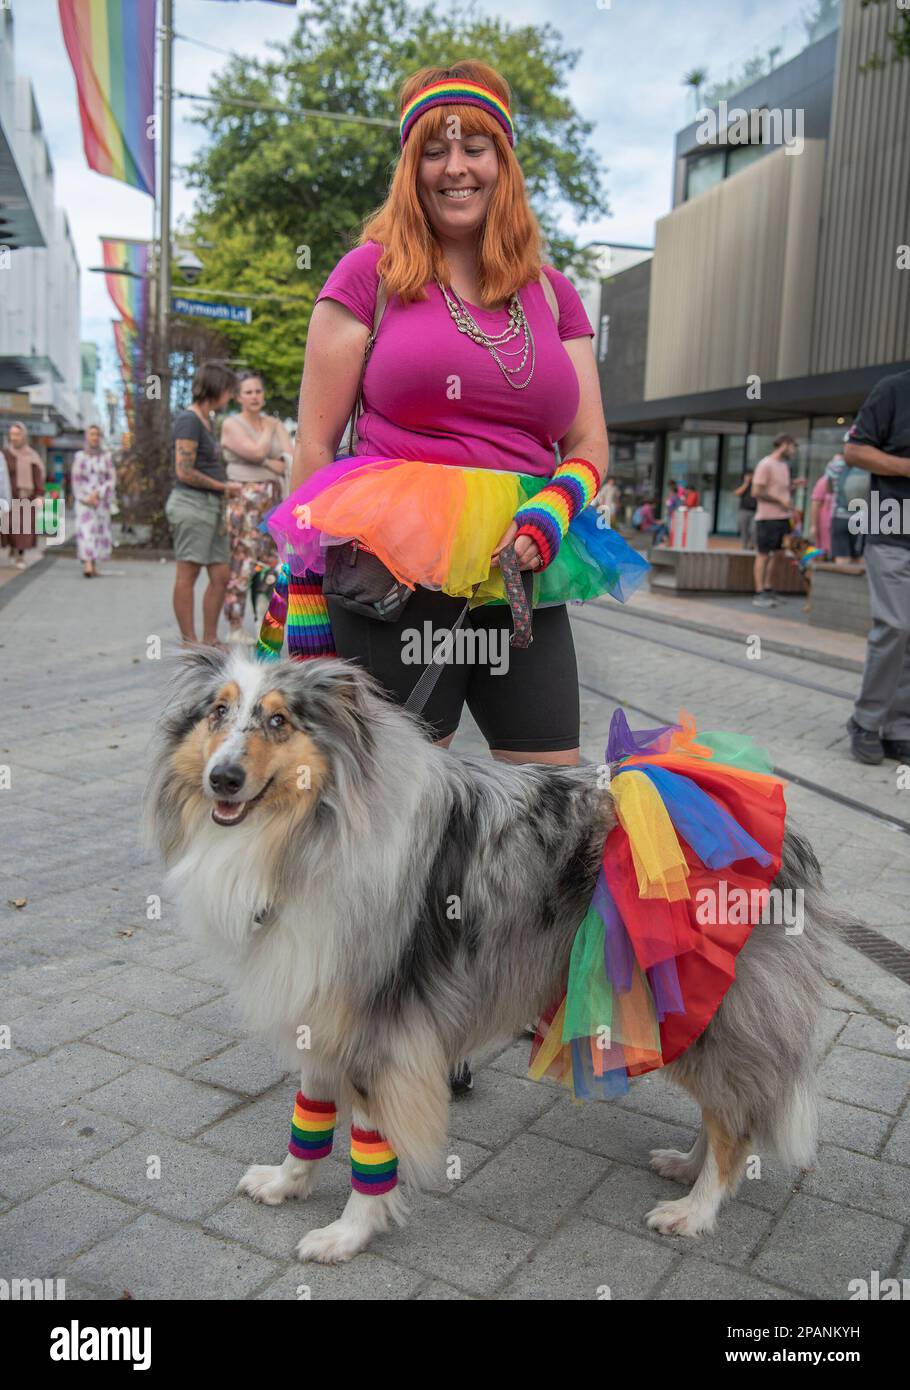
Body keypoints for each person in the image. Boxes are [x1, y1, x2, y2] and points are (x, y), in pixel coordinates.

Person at [276, 60, 646, 1095]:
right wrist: (296, 608)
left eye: (473, 143)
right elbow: (313, 444)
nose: (454, 163)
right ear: (410, 163)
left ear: (503, 159)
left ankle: (510, 1002)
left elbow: (586, 442)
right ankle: (385, 1025)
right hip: (392, 572)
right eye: (432, 145)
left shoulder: (553, 291)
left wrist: (546, 510)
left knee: (551, 815)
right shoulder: (367, 275)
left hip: (523, 574)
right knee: (394, 821)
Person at [843, 369, 910, 765]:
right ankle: (866, 722)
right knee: (896, 625)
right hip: (891, 528)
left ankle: (899, 727)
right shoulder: (893, 390)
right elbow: (854, 452)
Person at [165, 361, 241, 648]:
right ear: (217, 388)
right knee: (188, 573)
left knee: (221, 574)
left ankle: (209, 638)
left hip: (211, 506)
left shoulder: (207, 421)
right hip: (191, 504)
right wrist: (224, 486)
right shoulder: (189, 420)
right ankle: (189, 641)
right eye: (229, 391)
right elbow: (183, 471)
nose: (231, 396)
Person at [220, 371, 293, 643]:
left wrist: (263, 460)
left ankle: (265, 619)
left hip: (273, 500)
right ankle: (235, 625)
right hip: (245, 498)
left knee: (270, 559)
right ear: (238, 397)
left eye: (258, 391)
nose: (254, 396)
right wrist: (265, 455)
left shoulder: (274, 423)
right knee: (242, 559)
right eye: (248, 392)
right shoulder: (232, 424)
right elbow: (259, 453)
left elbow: (288, 459)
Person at [750, 434, 805, 607]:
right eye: (793, 447)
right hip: (767, 518)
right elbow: (756, 491)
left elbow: (779, 488)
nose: (794, 451)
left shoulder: (784, 466)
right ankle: (759, 593)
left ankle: (769, 589)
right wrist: (780, 501)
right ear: (784, 444)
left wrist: (793, 485)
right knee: (763, 555)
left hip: (784, 518)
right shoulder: (765, 464)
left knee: (779, 555)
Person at [71, 425, 116, 578]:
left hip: (101, 502)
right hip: (85, 502)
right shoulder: (80, 457)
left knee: (99, 532)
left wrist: (100, 493)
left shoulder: (106, 457)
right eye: (92, 434)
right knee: (86, 532)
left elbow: (111, 479)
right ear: (87, 436)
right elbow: (76, 481)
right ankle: (87, 564)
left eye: (97, 434)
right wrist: (87, 497)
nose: (94, 437)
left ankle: (94, 564)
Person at [2, 421, 45, 568]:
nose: (14, 438)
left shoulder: (32, 456)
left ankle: (19, 555)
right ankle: (13, 550)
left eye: (17, 434)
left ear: (24, 436)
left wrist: (40, 494)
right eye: (12, 434)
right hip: (8, 497)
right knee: (9, 528)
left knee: (23, 529)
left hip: (26, 497)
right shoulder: (4, 455)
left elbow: (37, 475)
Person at [809, 470, 834, 559]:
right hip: (824, 527)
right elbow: (815, 504)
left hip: (838, 526)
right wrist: (813, 526)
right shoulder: (824, 481)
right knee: (821, 552)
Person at [733, 467, 757, 550]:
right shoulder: (742, 483)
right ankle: (744, 548)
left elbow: (756, 494)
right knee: (744, 530)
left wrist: (754, 483)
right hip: (744, 510)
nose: (750, 477)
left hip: (755, 511)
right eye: (748, 475)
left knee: (754, 530)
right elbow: (737, 493)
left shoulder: (756, 484)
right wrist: (746, 483)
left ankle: (752, 545)